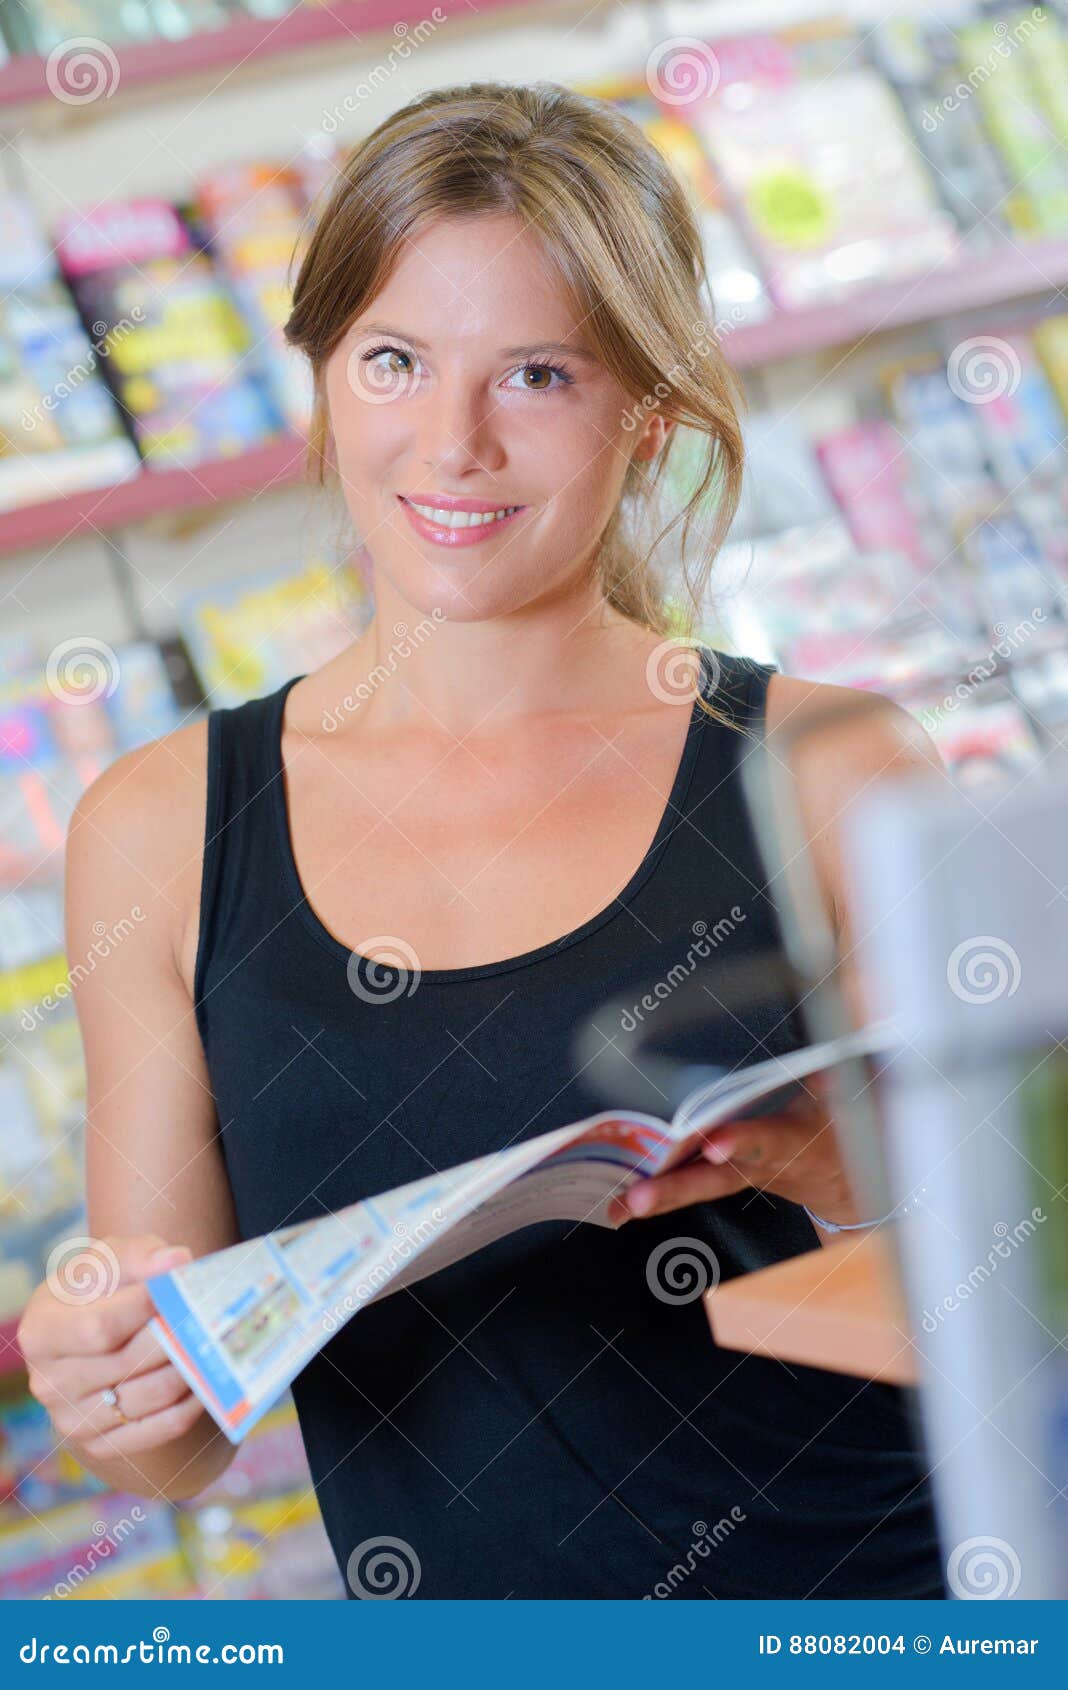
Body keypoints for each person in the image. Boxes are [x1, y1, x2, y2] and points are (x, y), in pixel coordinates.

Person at [19, 82, 947, 1599]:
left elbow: (1025, 1283)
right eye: (393, 361)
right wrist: (111, 1377)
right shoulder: (161, 823)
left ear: (648, 411)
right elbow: (167, 1437)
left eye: (536, 374)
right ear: (322, 377)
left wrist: (855, 1168)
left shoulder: (833, 765)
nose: (450, 444)